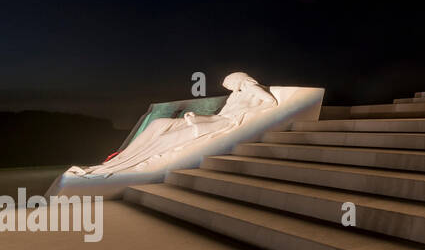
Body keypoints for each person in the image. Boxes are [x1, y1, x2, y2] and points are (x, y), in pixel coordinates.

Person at [67, 72, 276, 179]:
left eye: (229, 83)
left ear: (239, 79)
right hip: (212, 120)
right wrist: (200, 116)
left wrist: (242, 114)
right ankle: (122, 158)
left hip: (223, 124)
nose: (229, 88)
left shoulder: (252, 88)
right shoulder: (235, 95)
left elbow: (271, 103)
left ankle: (123, 166)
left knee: (167, 139)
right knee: (158, 123)